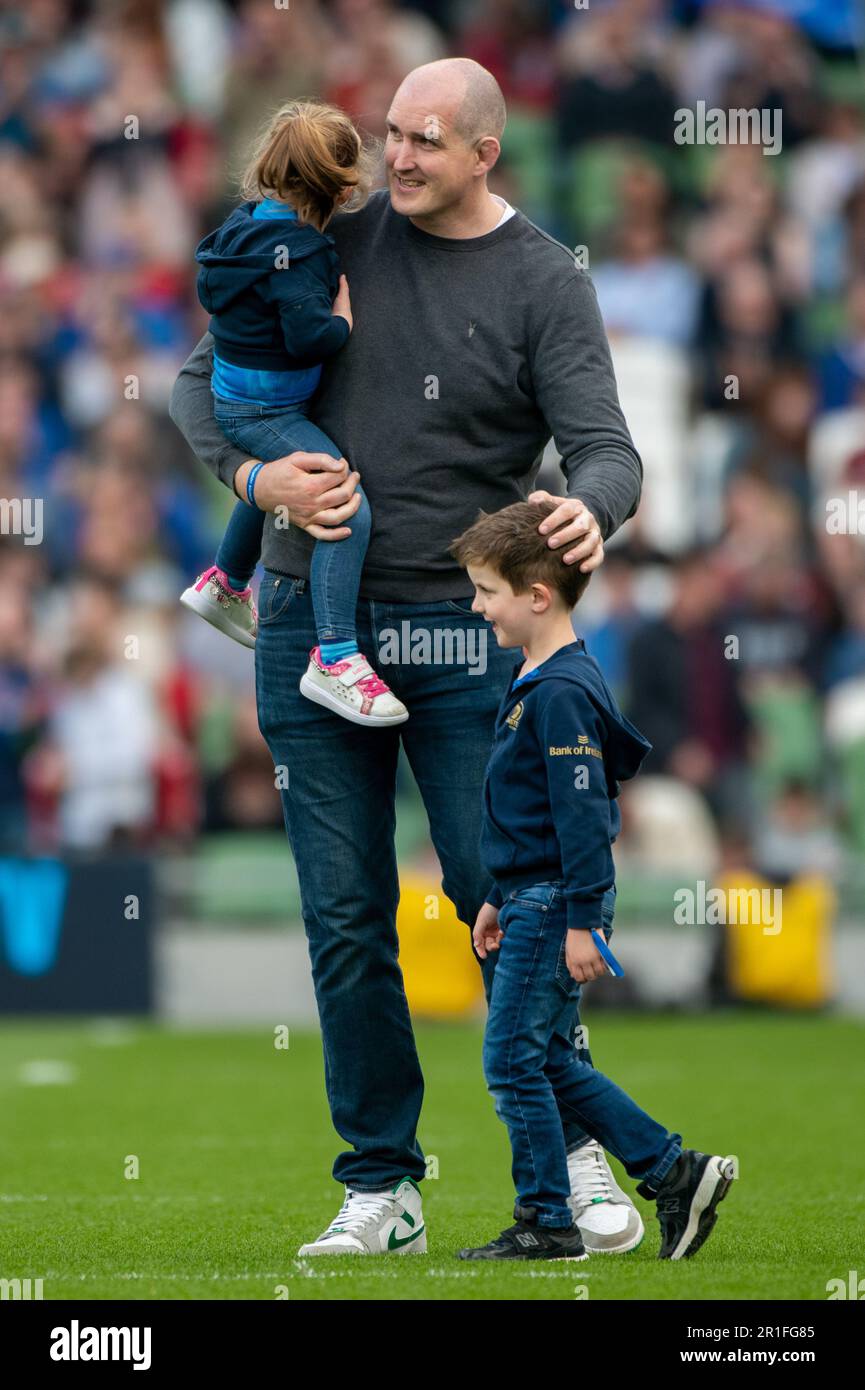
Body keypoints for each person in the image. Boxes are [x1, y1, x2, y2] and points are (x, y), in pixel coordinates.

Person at [170, 57, 644, 1257]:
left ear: (487, 151)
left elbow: (606, 448)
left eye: (428, 139)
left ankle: (576, 1159)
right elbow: (196, 384)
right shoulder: (324, 237)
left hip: (465, 637)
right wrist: (254, 478)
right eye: (392, 132)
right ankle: (382, 1186)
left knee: (507, 904)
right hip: (306, 628)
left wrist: (591, 507)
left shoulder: (545, 279)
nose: (399, 156)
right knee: (345, 917)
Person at [451, 500, 737, 1261]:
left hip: (553, 906)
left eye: (486, 591)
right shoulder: (541, 677)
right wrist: (496, 895)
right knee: (548, 1059)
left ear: (538, 596)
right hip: (533, 898)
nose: (477, 606)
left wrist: (582, 921)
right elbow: (533, 815)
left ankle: (547, 1221)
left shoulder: (559, 693)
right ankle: (674, 1172)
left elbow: (581, 819)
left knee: (511, 1061)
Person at [180, 99, 407, 726]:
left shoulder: (240, 228)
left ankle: (225, 583)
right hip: (267, 410)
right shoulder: (300, 251)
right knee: (342, 505)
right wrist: (341, 323)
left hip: (234, 402)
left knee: (279, 488)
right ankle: (335, 656)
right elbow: (307, 336)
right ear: (338, 189)